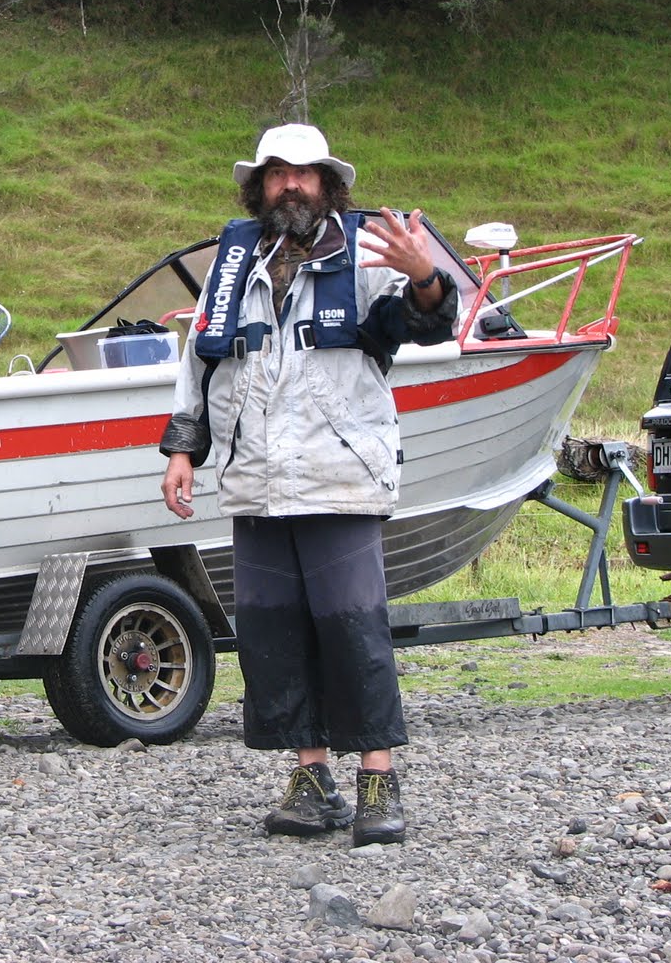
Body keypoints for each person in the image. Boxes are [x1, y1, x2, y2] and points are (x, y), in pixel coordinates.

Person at [158, 123, 458, 846]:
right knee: (274, 635)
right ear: (259, 186)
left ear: (328, 182)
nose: (290, 184)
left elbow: (423, 323)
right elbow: (198, 363)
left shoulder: (362, 254)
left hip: (338, 475)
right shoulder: (234, 261)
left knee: (354, 630)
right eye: (276, 173)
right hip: (256, 482)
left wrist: (424, 275)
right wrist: (181, 451)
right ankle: (310, 779)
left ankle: (379, 782)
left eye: (304, 173)